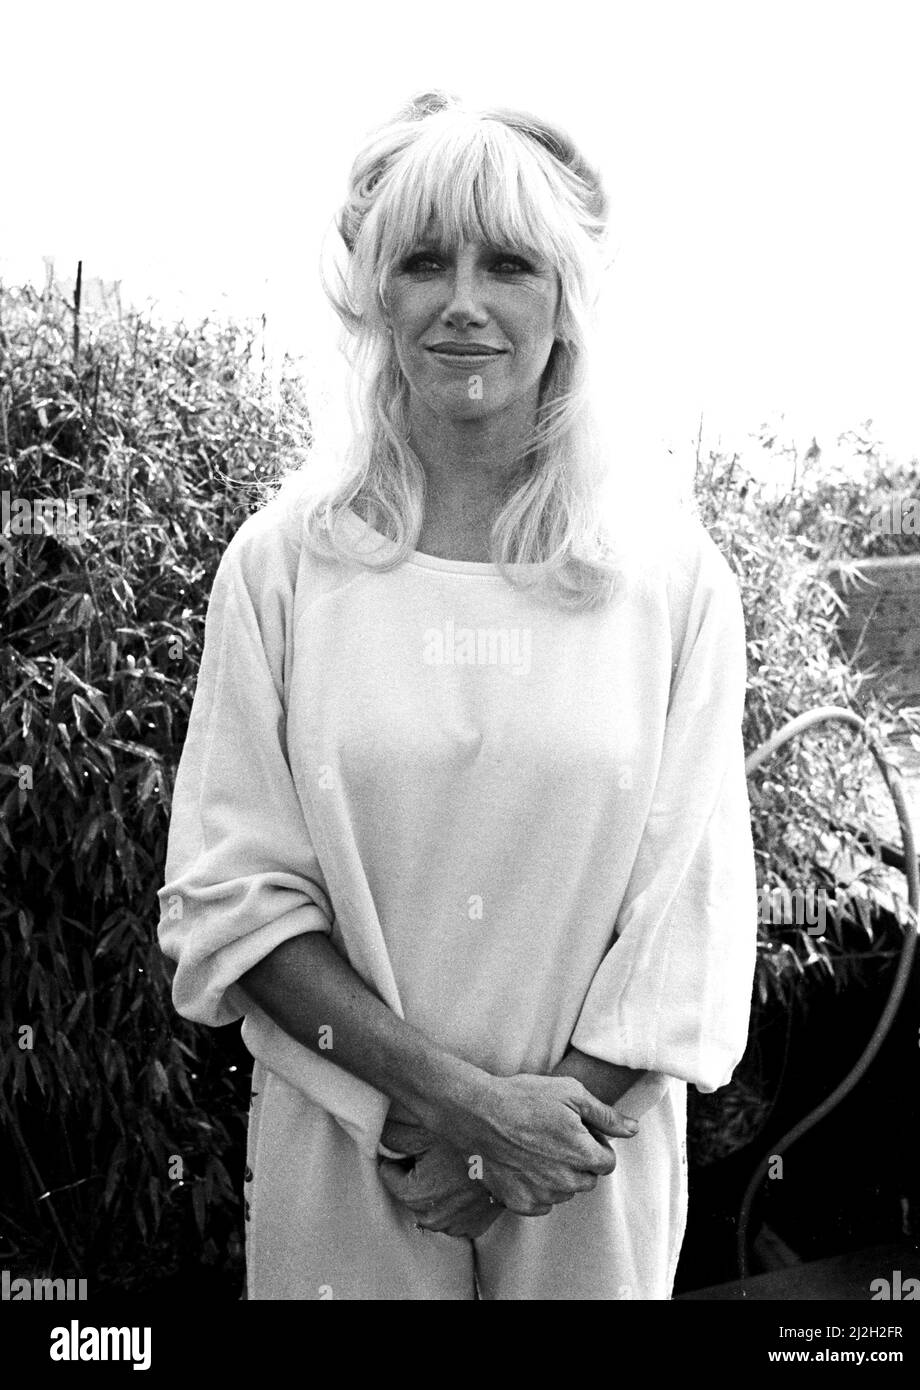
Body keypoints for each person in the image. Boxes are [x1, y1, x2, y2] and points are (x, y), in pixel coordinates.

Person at [157, 90, 757, 1300]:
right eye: (422, 261)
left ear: (565, 298)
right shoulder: (281, 569)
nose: (463, 302)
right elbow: (231, 894)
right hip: (349, 1151)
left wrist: (533, 1134)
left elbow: (684, 922)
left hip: (584, 1172)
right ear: (376, 293)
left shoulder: (671, 583)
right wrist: (459, 1108)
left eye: (509, 263)